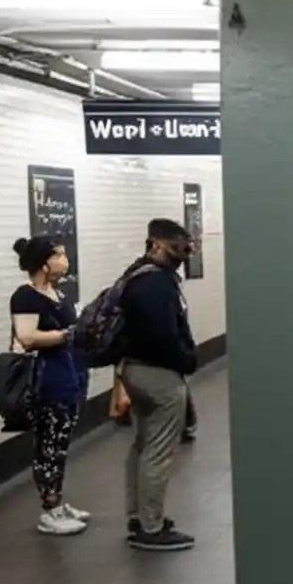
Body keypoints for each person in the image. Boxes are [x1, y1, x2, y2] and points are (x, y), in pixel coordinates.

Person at [120, 219, 198, 552]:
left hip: (135, 371)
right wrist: (187, 360)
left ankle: (139, 516)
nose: (182, 254)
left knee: (142, 445)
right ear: (155, 244)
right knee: (159, 450)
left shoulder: (135, 276)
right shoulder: (156, 284)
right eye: (177, 247)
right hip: (159, 375)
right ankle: (150, 527)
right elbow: (164, 336)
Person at [9, 236, 90, 536]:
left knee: (61, 444)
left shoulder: (58, 293)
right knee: (49, 445)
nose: (65, 260)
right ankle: (49, 509)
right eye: (60, 255)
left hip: (69, 377)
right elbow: (27, 337)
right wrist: (67, 334)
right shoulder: (26, 296)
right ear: (44, 263)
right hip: (47, 381)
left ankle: (58, 501)